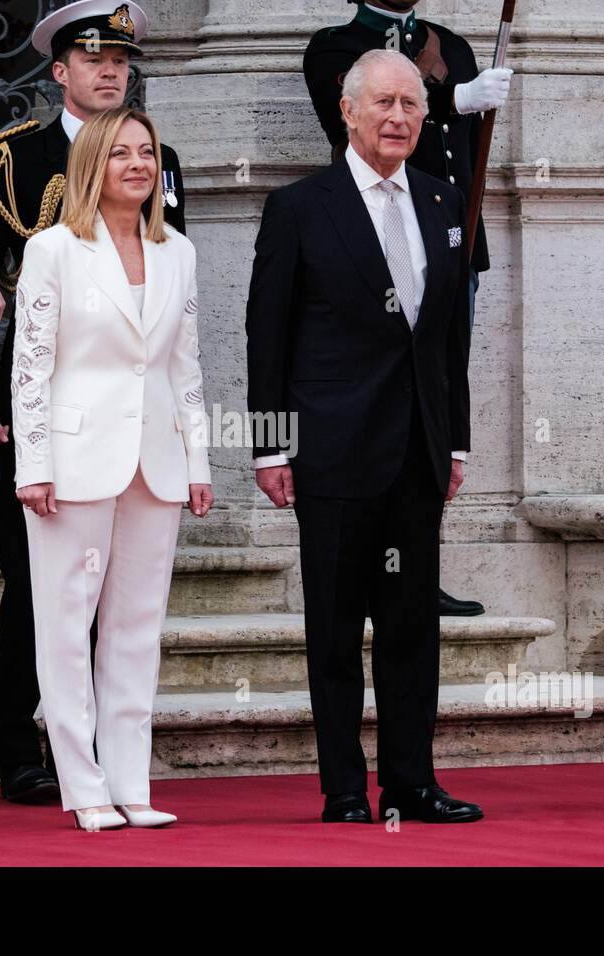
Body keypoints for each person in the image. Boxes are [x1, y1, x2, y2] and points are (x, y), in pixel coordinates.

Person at [0, 0, 188, 805]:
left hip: (134, 421)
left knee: (120, 599)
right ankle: (22, 744)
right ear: (59, 72)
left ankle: (94, 753)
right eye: (92, 60)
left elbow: (168, 305)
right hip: (43, 400)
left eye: (119, 61)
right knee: (37, 583)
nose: (110, 71)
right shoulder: (11, 158)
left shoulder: (160, 163)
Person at [246, 49, 483, 824]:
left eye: (412, 105)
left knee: (414, 627)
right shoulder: (300, 208)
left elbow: (450, 338)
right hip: (332, 455)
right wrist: (270, 447)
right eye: (382, 103)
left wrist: (455, 442)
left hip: (417, 450)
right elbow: (267, 338)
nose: (398, 118)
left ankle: (413, 781)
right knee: (337, 628)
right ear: (347, 112)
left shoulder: (447, 200)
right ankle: (344, 788)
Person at [12, 107, 211, 831]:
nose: (138, 164)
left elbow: (186, 364)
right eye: (121, 152)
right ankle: (83, 785)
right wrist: (31, 464)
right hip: (72, 462)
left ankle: (131, 781)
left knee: (136, 626)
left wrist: (198, 457)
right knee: (67, 626)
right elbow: (29, 368)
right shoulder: (54, 250)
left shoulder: (177, 253)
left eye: (147, 153)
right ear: (91, 164)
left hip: (154, 461)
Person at [304, 0, 512, 617]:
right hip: (371, 253)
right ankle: (364, 566)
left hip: (446, 247)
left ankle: (416, 569)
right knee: (371, 402)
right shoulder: (335, 48)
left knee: (436, 398)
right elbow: (349, 122)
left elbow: (464, 158)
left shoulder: (451, 44)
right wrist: (451, 97)